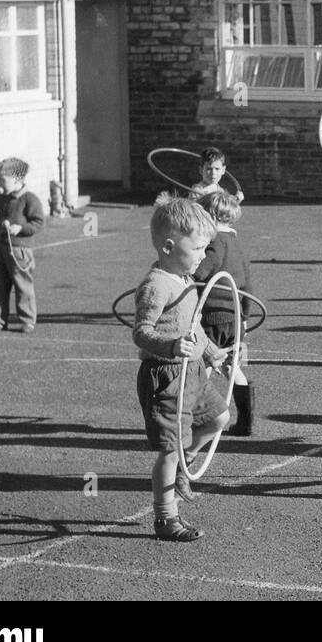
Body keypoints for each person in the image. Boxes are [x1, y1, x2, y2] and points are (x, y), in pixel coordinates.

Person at [133, 194, 231, 541]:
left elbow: (194, 327)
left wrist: (211, 352)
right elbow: (142, 333)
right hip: (165, 375)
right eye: (199, 249)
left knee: (220, 418)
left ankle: (185, 463)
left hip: (192, 372)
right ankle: (165, 518)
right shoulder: (155, 284)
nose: (205, 256)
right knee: (167, 452)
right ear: (169, 247)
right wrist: (171, 346)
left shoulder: (186, 280)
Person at [193, 190, 257, 435]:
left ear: (208, 216)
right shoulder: (237, 243)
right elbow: (247, 284)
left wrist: (187, 277)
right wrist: (246, 318)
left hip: (212, 316)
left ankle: (201, 418)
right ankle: (245, 420)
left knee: (202, 366)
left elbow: (203, 270)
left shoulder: (216, 241)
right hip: (235, 317)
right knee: (231, 367)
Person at [0, 157, 45, 334]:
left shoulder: (29, 199)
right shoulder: (2, 198)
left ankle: (28, 320)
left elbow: (39, 222)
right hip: (0, 247)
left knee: (23, 285)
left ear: (17, 180)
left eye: (2, 180)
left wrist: (21, 228)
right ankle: (0, 320)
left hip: (19, 249)